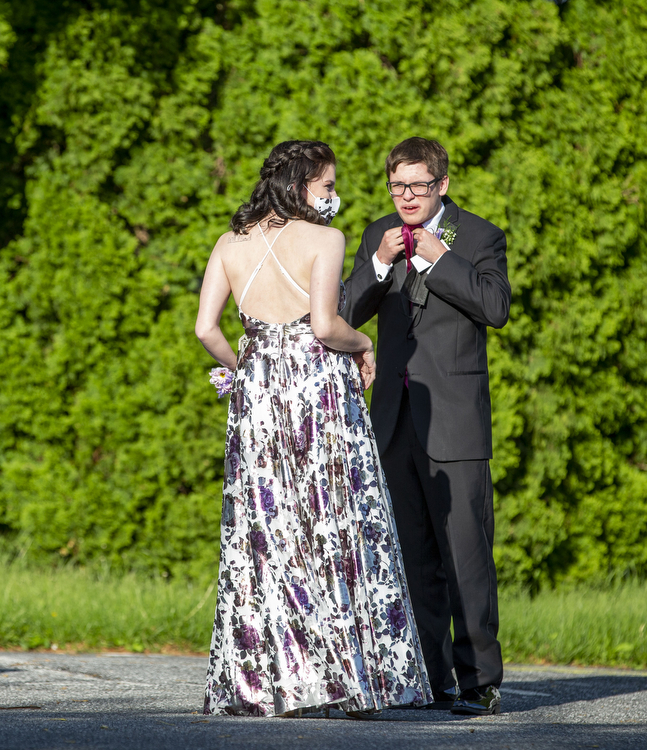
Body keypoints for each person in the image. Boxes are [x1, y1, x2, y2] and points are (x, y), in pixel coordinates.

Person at [195, 140, 431, 718]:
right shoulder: (325, 239)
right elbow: (326, 325)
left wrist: (244, 370)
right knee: (332, 523)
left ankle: (274, 681)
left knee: (268, 533)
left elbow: (206, 329)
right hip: (316, 393)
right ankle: (347, 679)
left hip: (259, 398)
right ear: (302, 185)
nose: (334, 197)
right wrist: (366, 342)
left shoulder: (230, 243)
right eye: (327, 187)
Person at [340, 137, 510, 716]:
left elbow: (495, 308)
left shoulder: (481, 236)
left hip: (457, 420)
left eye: (416, 186)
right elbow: (341, 313)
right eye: (397, 186)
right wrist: (381, 263)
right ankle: (431, 679)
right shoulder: (376, 234)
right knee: (412, 556)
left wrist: (439, 258)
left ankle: (480, 680)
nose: (406, 196)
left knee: (465, 554)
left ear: (441, 185)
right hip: (395, 415)